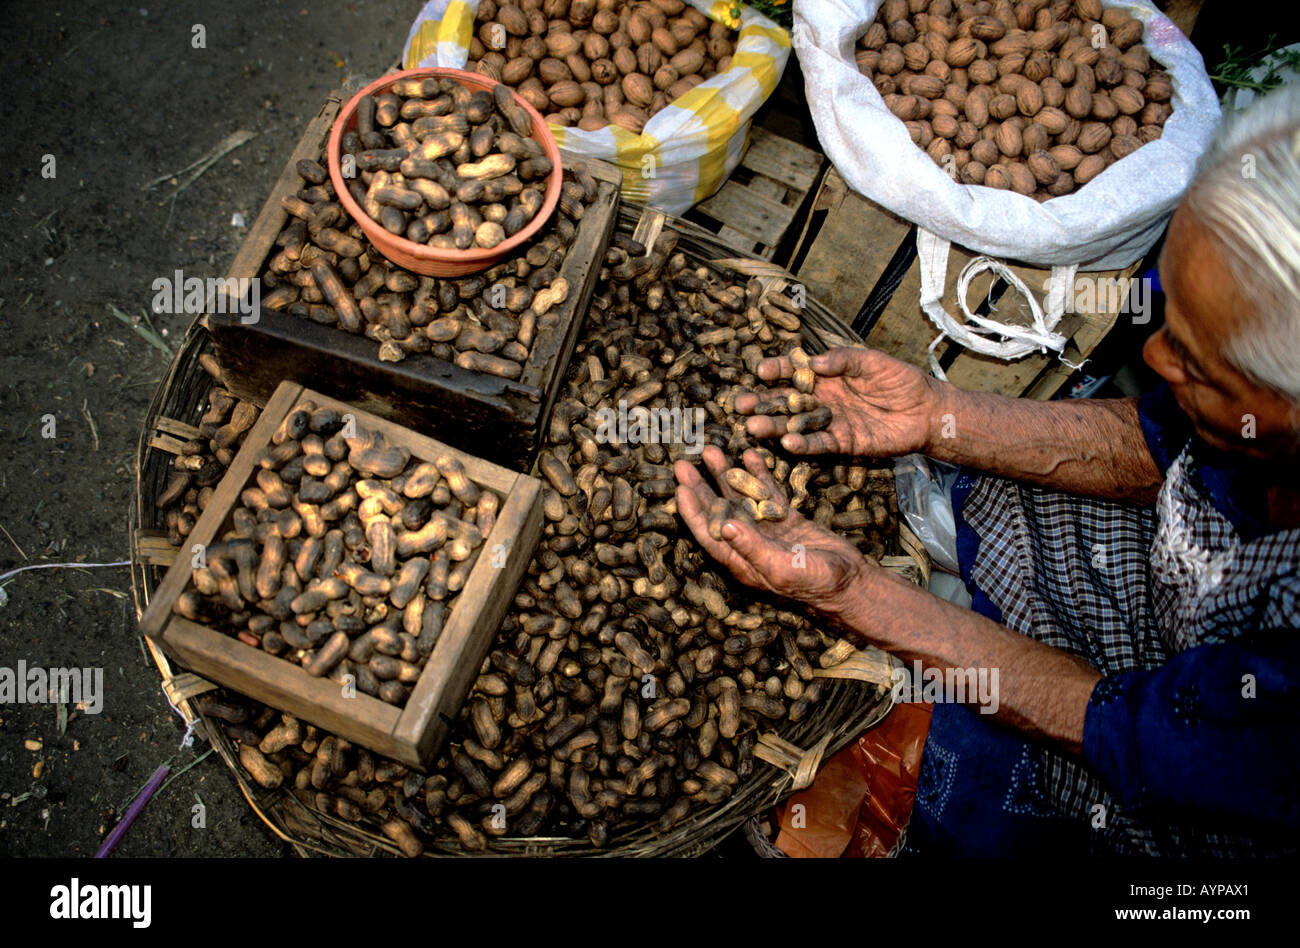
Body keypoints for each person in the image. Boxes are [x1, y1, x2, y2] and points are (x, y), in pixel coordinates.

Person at [673, 84, 1300, 856]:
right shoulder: (1249, 419)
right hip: (1182, 624)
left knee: (973, 779)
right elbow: (1161, 440)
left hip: (1225, 781)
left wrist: (856, 594)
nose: (1156, 360)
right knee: (986, 502)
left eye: (1202, 365)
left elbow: (1129, 732)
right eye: (1169, 321)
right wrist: (937, 416)